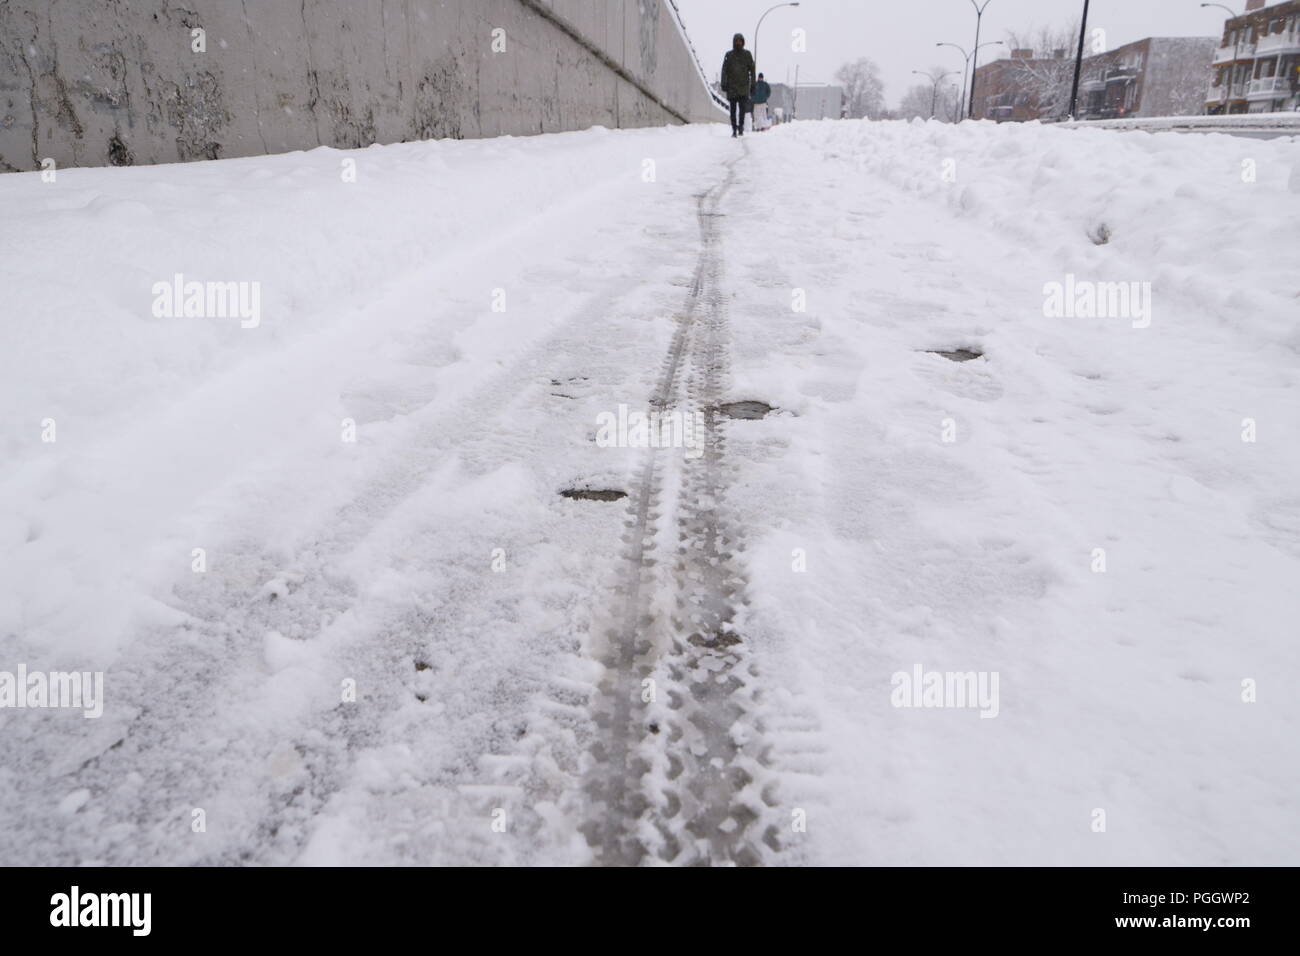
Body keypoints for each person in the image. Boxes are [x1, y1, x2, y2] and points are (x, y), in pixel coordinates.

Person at [720, 33, 755, 137]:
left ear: (743, 42)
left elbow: (752, 71)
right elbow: (724, 70)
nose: (738, 43)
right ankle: (734, 129)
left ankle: (741, 127)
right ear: (733, 42)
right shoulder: (729, 55)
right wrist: (723, 82)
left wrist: (753, 84)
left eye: (740, 41)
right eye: (736, 41)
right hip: (732, 87)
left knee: (742, 110)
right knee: (733, 110)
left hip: (743, 87)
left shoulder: (747, 55)